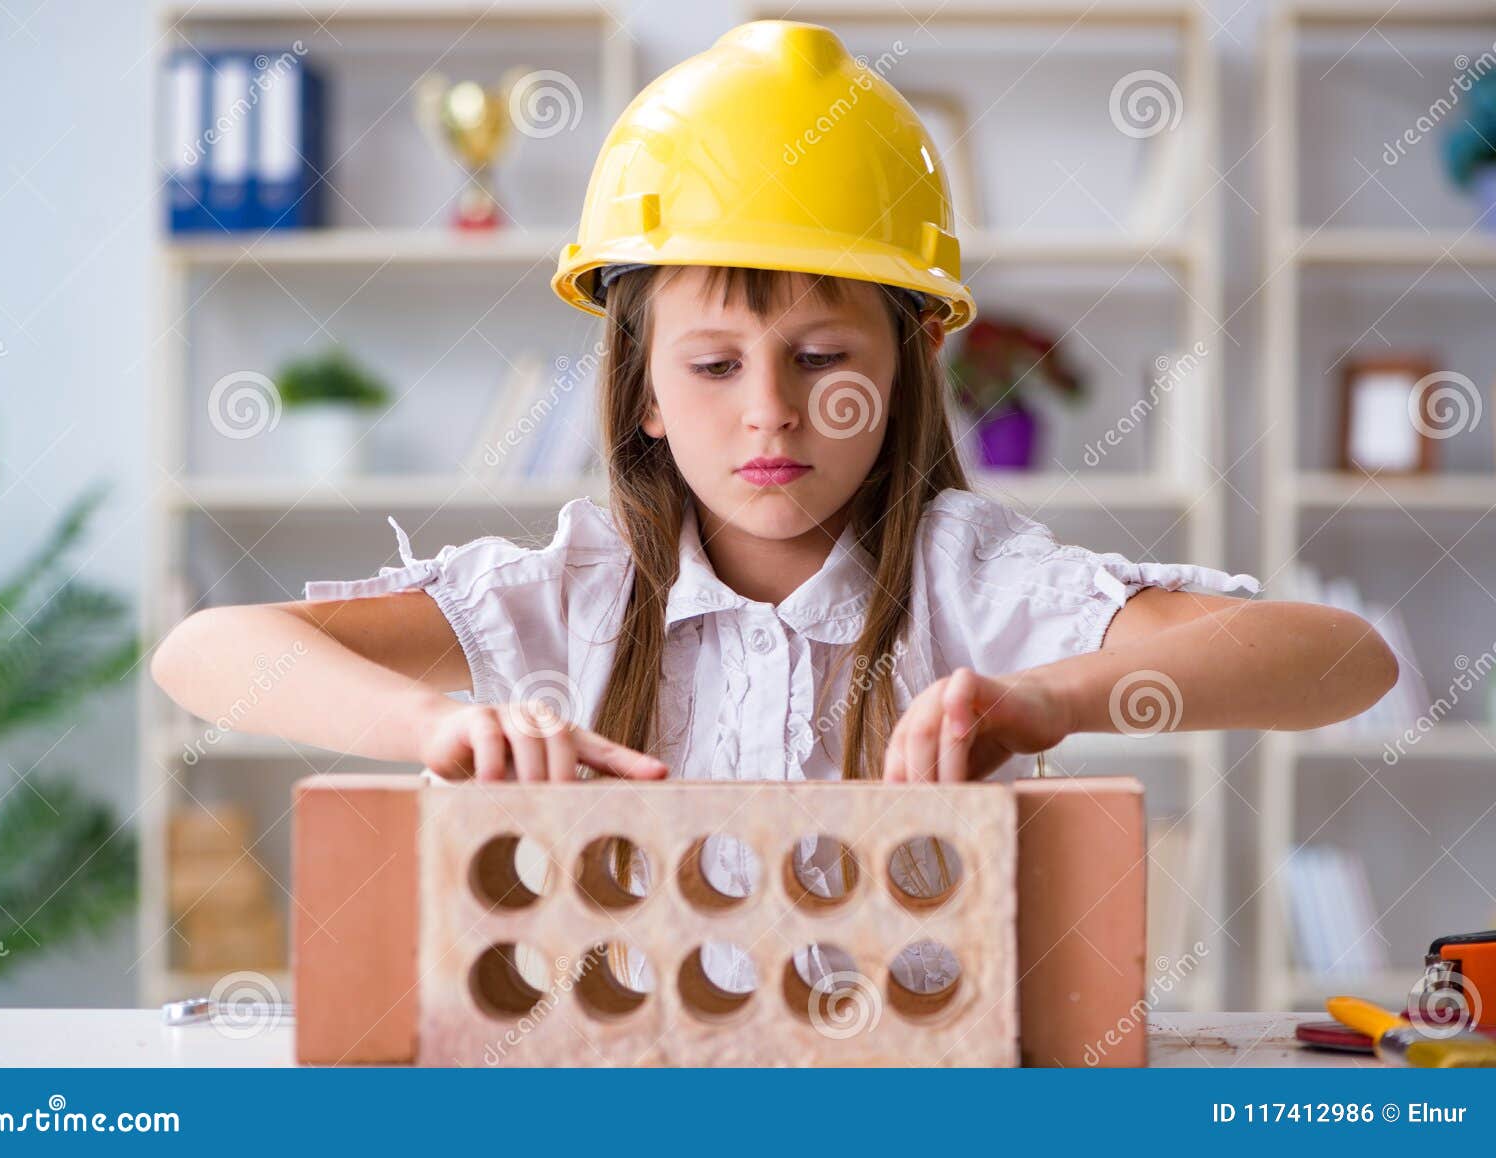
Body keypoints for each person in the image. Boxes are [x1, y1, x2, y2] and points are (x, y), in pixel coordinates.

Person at [151, 20, 1398, 1004]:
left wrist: (1049, 700)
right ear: (642, 391)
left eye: (820, 359)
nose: (770, 414)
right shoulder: (574, 587)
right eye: (712, 365)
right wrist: (438, 726)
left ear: (907, 364)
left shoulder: (968, 580)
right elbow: (205, 651)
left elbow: (1344, 660)